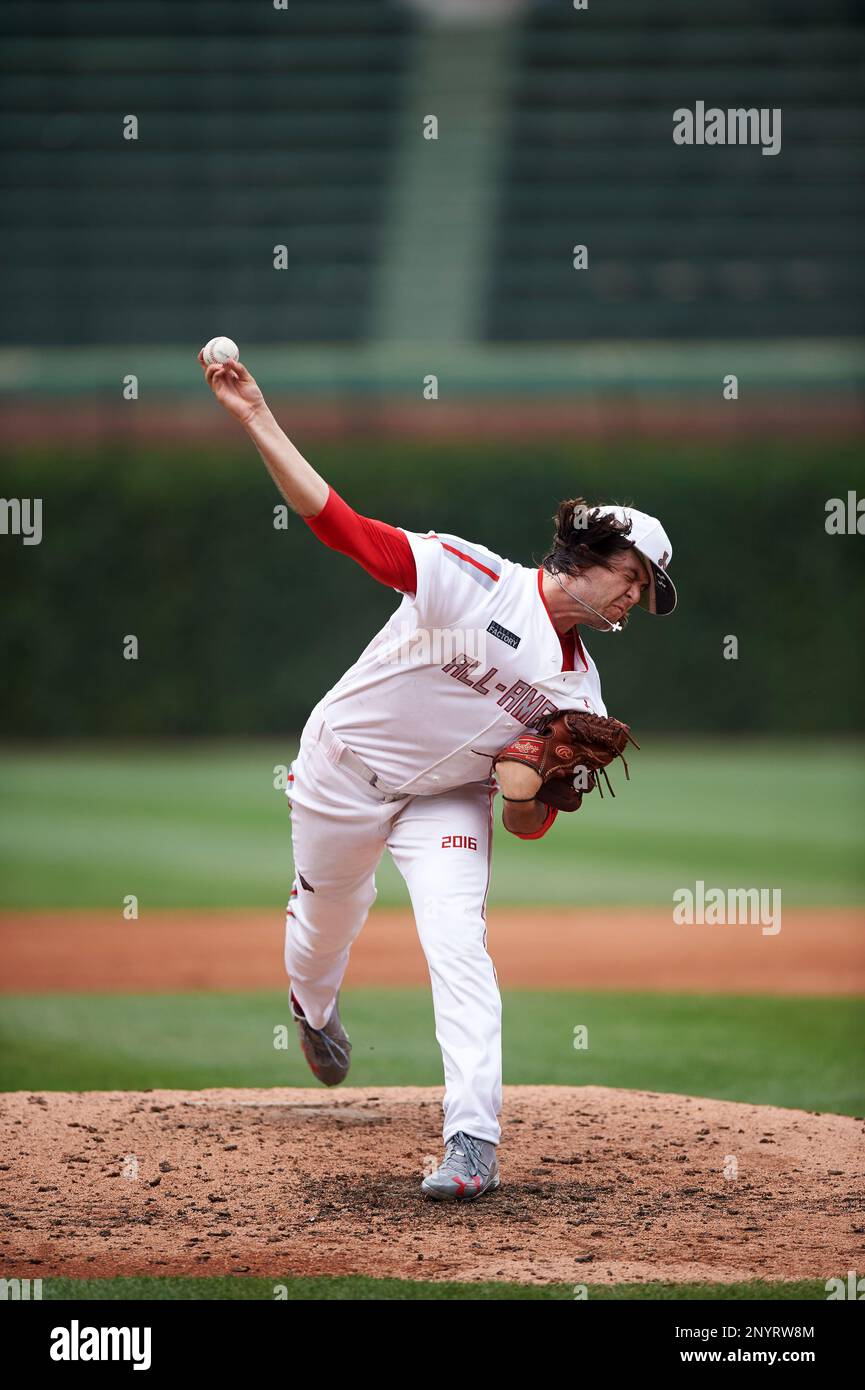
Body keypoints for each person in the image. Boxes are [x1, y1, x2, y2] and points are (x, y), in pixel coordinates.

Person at [199, 349, 677, 1202]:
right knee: (326, 926)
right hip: (342, 769)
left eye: (645, 590)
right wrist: (256, 418)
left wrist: (535, 793)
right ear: (589, 552)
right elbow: (340, 525)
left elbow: (529, 822)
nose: (635, 601)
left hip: (446, 800)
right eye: (633, 578)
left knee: (459, 946)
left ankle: (472, 1142)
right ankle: (312, 1012)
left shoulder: (578, 691)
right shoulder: (472, 579)